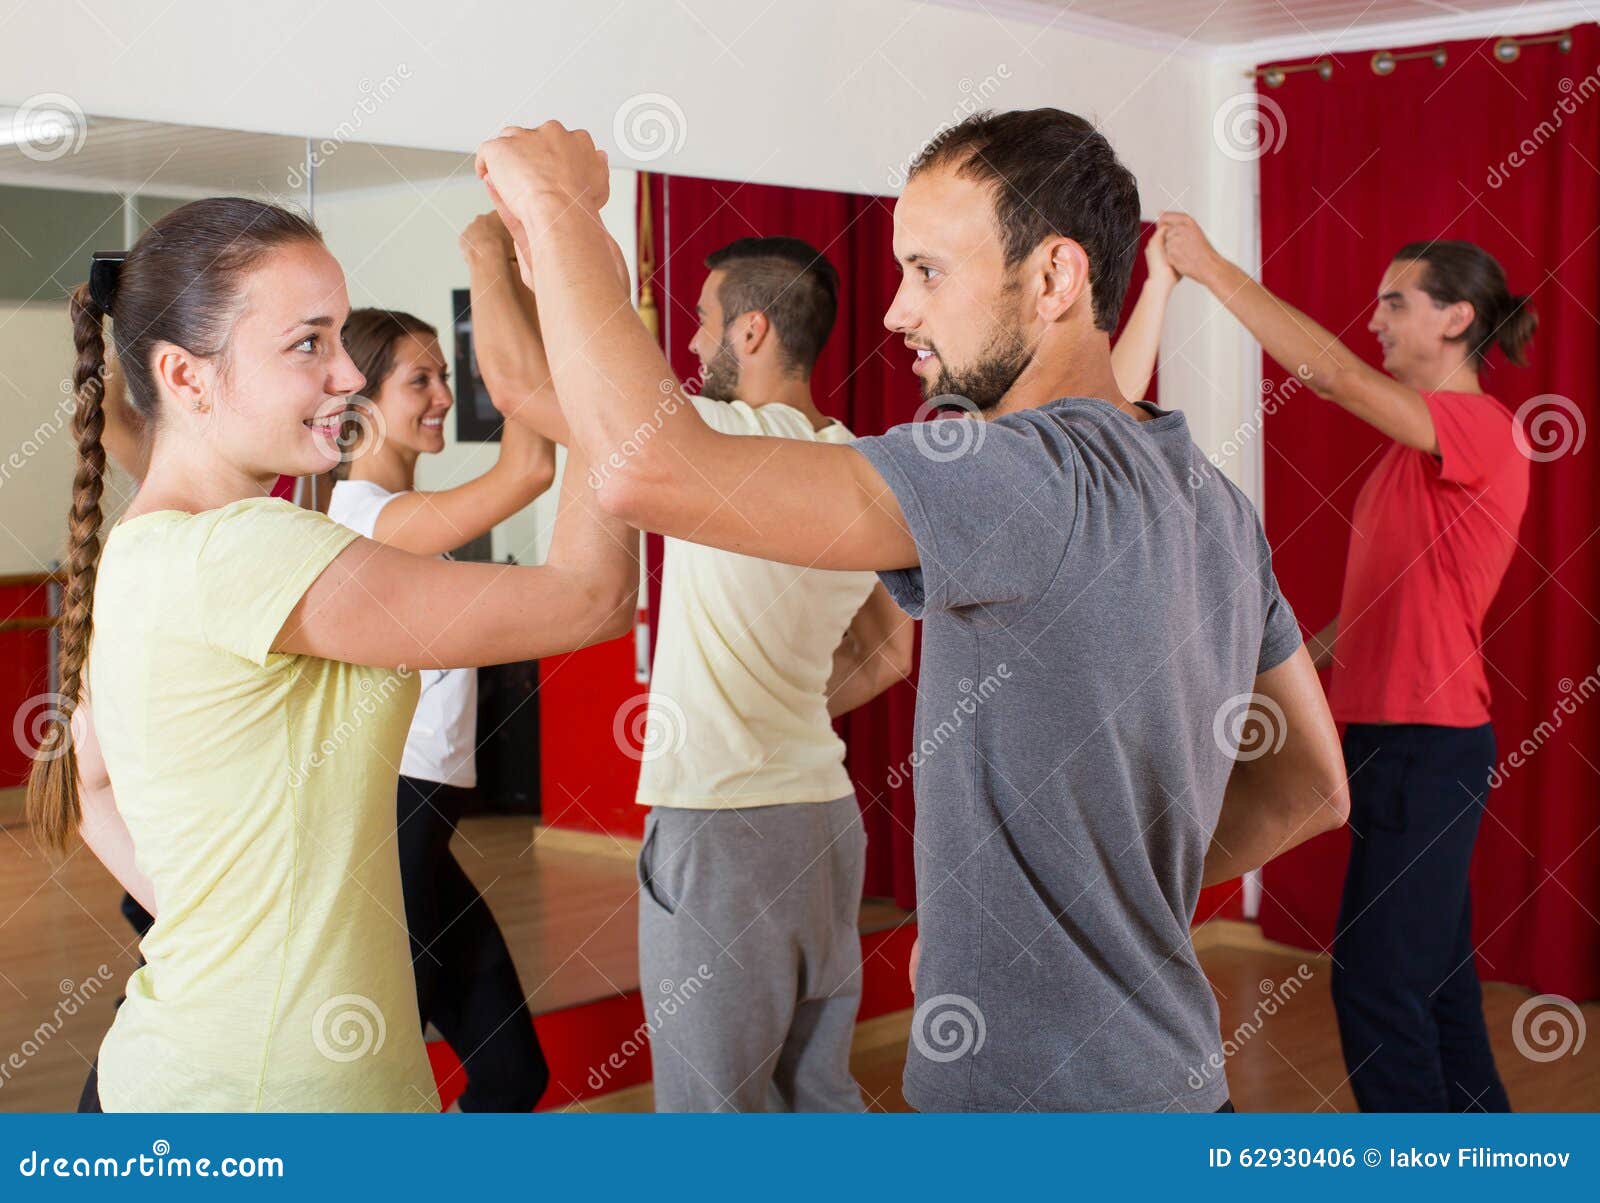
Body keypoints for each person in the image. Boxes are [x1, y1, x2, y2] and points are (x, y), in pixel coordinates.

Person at [474, 109, 1351, 1113]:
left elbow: (645, 471)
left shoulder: (1016, 472)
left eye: (928, 271)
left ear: (1055, 279)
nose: (895, 312)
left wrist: (558, 213)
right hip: (1179, 1090)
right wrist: (1107, 911)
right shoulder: (1211, 498)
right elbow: (1310, 790)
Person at [26, 194, 637, 1113]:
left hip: (187, 1074)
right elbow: (593, 598)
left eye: (342, 336)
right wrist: (593, 306)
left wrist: (233, 929)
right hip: (281, 1097)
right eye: (309, 342)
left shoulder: (142, 548)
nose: (349, 372)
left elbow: (94, 782)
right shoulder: (248, 548)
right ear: (186, 377)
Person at [463, 211, 914, 1112]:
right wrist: (777, 711)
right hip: (823, 824)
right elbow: (891, 650)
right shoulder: (860, 470)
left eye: (706, 319)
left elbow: (516, 383)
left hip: (725, 826)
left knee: (713, 1109)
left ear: (753, 330)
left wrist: (483, 248)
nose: (694, 339)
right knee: (816, 1094)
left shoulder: (708, 438)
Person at [1160, 213, 1535, 1113]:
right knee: (1436, 989)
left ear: (1455, 319)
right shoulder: (1412, 454)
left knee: (1375, 988)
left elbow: (1329, 375)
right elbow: (1371, 619)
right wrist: (1268, 670)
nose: (1375, 320)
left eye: (1395, 303)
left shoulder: (1479, 428)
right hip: (1390, 744)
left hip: (1426, 748)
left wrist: (1209, 268)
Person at [328, 292, 558, 1113]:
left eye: (446, 375)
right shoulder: (366, 518)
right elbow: (531, 468)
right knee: (373, 1088)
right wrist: (504, 292)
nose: (443, 398)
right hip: (390, 820)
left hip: (424, 823)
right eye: (419, 380)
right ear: (360, 405)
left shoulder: (406, 518)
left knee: (511, 1073)